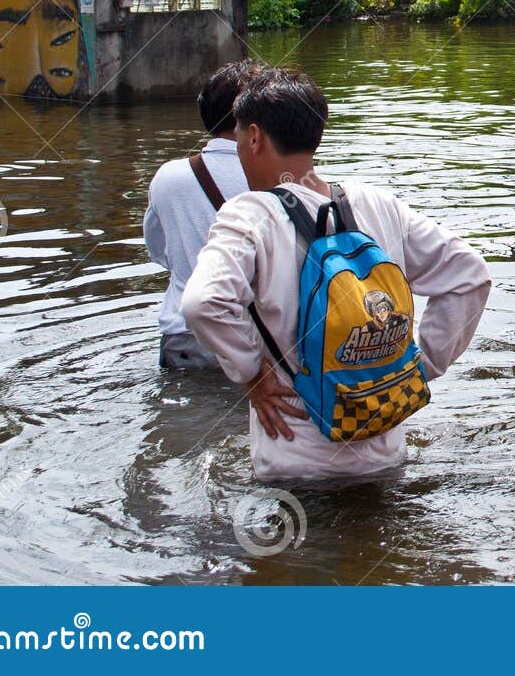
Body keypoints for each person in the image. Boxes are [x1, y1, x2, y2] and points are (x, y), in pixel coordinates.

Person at [181, 69, 492, 482]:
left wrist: (250, 372)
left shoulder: (248, 215)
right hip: (385, 457)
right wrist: (422, 364)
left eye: (238, 140)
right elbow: (469, 276)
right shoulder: (375, 203)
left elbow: (204, 303)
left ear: (254, 138)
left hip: (294, 466)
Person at [144, 59, 265, 370]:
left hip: (182, 336)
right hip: (251, 339)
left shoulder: (168, 177)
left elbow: (159, 253)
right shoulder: (271, 177)